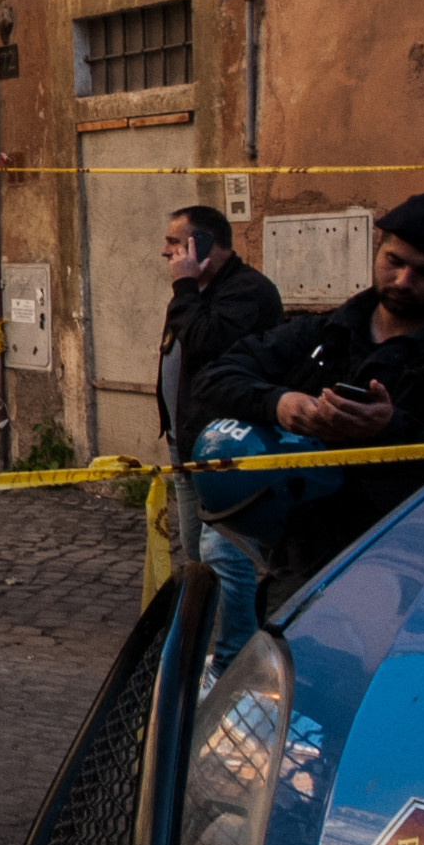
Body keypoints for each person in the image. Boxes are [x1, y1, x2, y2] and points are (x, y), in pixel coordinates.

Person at [197, 190, 424, 575]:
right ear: (377, 251)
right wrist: (280, 404)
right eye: (394, 262)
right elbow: (214, 378)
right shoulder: (322, 333)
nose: (403, 281)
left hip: (409, 563)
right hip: (301, 557)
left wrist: (392, 429)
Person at [156, 204, 289, 667]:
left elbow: (204, 340)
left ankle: (236, 659)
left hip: (227, 451)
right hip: (189, 446)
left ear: (204, 245)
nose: (166, 252)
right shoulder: (199, 292)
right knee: (197, 557)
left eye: (175, 244)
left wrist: (185, 285)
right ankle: (204, 647)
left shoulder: (245, 292)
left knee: (226, 553)